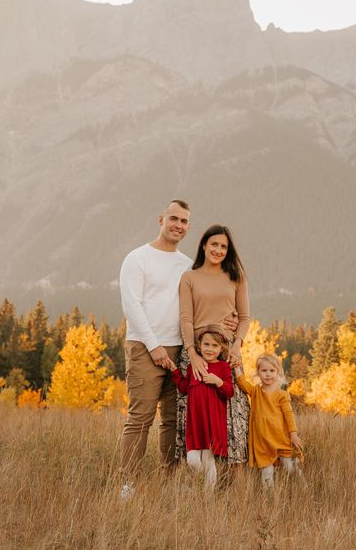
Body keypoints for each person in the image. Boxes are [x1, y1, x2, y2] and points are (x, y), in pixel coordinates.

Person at [117, 201, 236, 501]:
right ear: (161, 219)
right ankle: (127, 483)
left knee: (173, 420)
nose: (178, 225)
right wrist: (154, 346)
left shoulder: (187, 265)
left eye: (184, 221)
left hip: (182, 351)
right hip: (145, 347)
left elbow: (201, 303)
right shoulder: (137, 258)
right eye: (174, 218)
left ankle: (168, 480)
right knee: (140, 418)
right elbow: (132, 306)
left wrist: (227, 319)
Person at [177, 224, 251, 468]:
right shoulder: (189, 278)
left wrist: (237, 346)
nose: (219, 250)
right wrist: (192, 354)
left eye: (224, 246)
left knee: (235, 414)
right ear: (203, 245)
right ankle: (196, 477)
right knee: (195, 416)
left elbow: (244, 318)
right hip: (196, 352)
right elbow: (186, 319)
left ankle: (236, 481)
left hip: (227, 354)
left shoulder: (236, 277)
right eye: (214, 244)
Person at [171, 326, 234, 490]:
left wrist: (218, 381)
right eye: (206, 344)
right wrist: (174, 371)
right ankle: (200, 481)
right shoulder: (193, 366)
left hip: (212, 422)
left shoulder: (223, 367)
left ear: (222, 348)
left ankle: (208, 496)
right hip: (195, 422)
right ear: (199, 345)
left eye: (215, 346)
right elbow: (184, 388)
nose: (210, 349)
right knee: (192, 460)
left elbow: (229, 391)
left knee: (208, 460)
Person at [235, 353, 304, 488]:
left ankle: (303, 489)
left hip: (280, 439)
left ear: (278, 372)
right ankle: (270, 498)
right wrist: (236, 367)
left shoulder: (281, 395)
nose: (268, 374)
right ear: (258, 373)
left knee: (289, 467)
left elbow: (289, 415)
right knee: (266, 474)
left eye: (272, 371)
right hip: (262, 442)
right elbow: (242, 383)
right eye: (264, 370)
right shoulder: (256, 392)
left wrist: (293, 434)